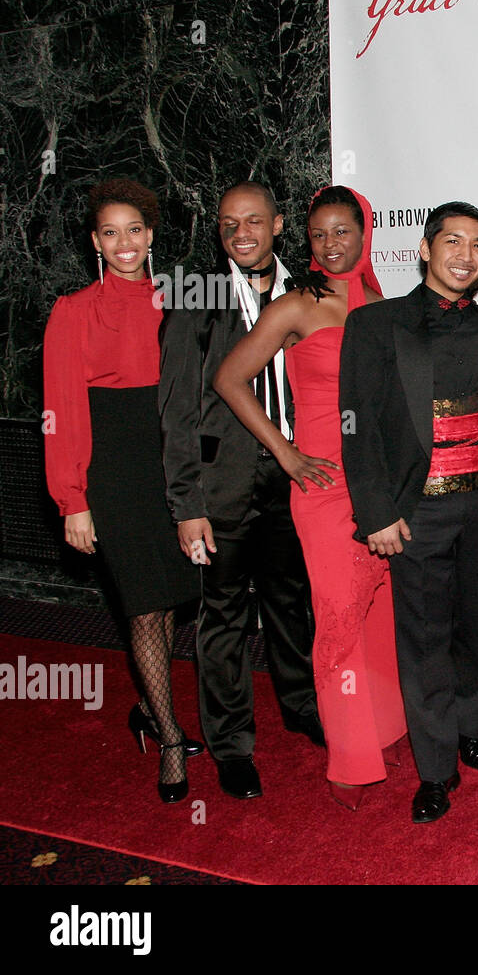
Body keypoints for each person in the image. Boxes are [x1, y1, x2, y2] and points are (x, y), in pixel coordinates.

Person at [214, 186, 406, 810]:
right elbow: (229, 378)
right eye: (319, 234)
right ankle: (349, 758)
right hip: (321, 486)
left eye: (342, 231)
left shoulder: (383, 306)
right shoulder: (295, 305)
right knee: (338, 615)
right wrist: (287, 452)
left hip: (375, 484)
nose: (330, 243)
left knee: (378, 612)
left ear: (364, 233)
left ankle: (381, 729)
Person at [339, 201, 478, 824]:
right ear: (424, 247)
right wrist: (376, 512)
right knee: (423, 641)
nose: (465, 254)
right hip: (414, 513)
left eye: (477, 244)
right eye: (452, 241)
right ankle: (436, 768)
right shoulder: (374, 324)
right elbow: (357, 428)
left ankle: (474, 730)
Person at [159, 181, 319, 801]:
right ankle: (230, 746)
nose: (242, 234)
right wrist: (186, 504)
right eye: (229, 225)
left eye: (254, 221)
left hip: (296, 477)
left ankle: (302, 708)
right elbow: (175, 410)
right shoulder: (193, 296)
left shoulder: (308, 290)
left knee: (289, 601)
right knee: (223, 616)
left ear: (279, 225)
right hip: (221, 484)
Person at [43, 178, 200, 803]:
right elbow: (61, 409)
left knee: (166, 602)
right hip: (110, 470)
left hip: (170, 464)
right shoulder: (72, 312)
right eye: (111, 232)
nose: (125, 242)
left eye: (135, 229)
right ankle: (167, 738)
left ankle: (146, 706)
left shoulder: (178, 300)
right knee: (141, 605)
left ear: (152, 234)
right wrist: (72, 499)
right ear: (95, 243)